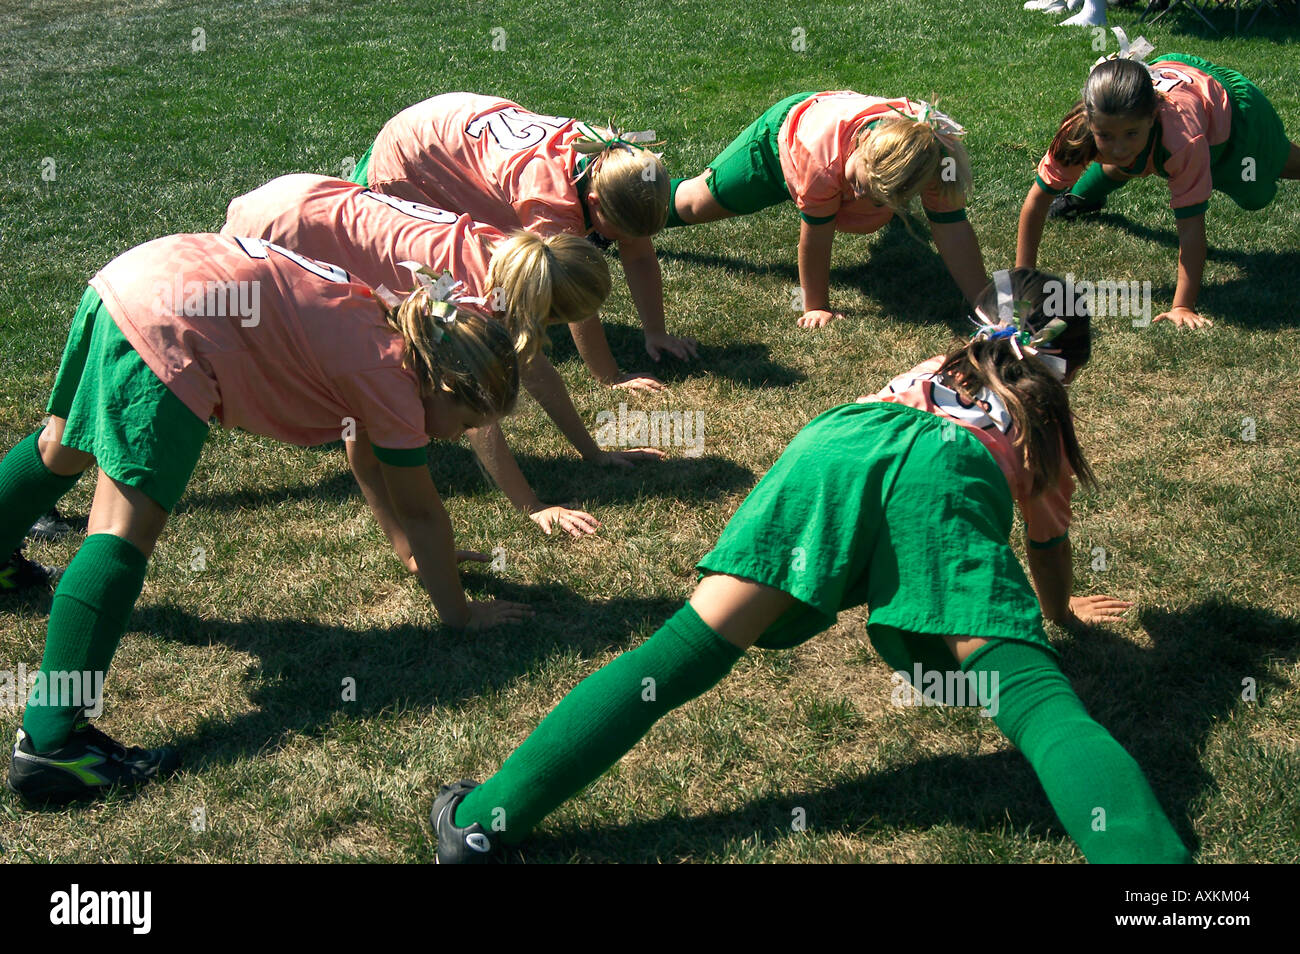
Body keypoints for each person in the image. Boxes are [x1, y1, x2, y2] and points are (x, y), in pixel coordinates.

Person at [430, 268, 1192, 864]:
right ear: (1071, 368)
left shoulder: (939, 365)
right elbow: (1047, 545)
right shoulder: (1043, 428)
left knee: (677, 655)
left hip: (838, 445)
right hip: (944, 482)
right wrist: (1057, 614)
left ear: (977, 330)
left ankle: (482, 822)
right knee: (1039, 708)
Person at [3, 232, 530, 803]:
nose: (460, 436)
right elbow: (424, 509)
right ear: (446, 385)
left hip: (134, 279)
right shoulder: (393, 375)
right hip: (172, 325)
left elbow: (363, 450)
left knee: (63, 447)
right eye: (468, 420)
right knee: (120, 527)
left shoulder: (389, 325)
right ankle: (51, 744)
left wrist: (406, 549)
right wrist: (459, 613)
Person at [224, 174, 662, 538]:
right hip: (283, 227)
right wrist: (532, 505)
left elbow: (533, 368)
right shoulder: (465, 299)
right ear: (541, 308)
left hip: (305, 194)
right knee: (292, 367)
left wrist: (593, 453)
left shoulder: (514, 256)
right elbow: (475, 414)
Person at [351, 92, 696, 373]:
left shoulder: (618, 163)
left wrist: (655, 332)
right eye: (619, 234)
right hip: (412, 156)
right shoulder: (550, 199)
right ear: (593, 201)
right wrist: (610, 376)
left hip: (448, 121)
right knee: (455, 268)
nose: (625, 243)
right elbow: (571, 293)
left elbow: (639, 255)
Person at [1018, 53, 1300, 329]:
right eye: (1105, 135)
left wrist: (1182, 306)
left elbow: (1190, 228)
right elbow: (1037, 200)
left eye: (1131, 133)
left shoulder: (1182, 139)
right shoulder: (1078, 130)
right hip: (1181, 82)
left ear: (1153, 116)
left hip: (1237, 120)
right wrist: (1024, 281)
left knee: (1256, 192)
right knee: (1132, 159)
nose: (1117, 147)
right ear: (1089, 119)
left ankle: (1267, 164)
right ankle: (1081, 198)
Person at [666, 91, 989, 327]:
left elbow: (952, 227)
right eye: (858, 184)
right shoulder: (823, 160)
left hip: (839, 138)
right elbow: (816, 236)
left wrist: (983, 303)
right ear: (861, 146)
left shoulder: (936, 154)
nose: (859, 195)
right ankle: (617, 205)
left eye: (876, 195)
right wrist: (816, 305)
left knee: (867, 216)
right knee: (693, 204)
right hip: (781, 140)